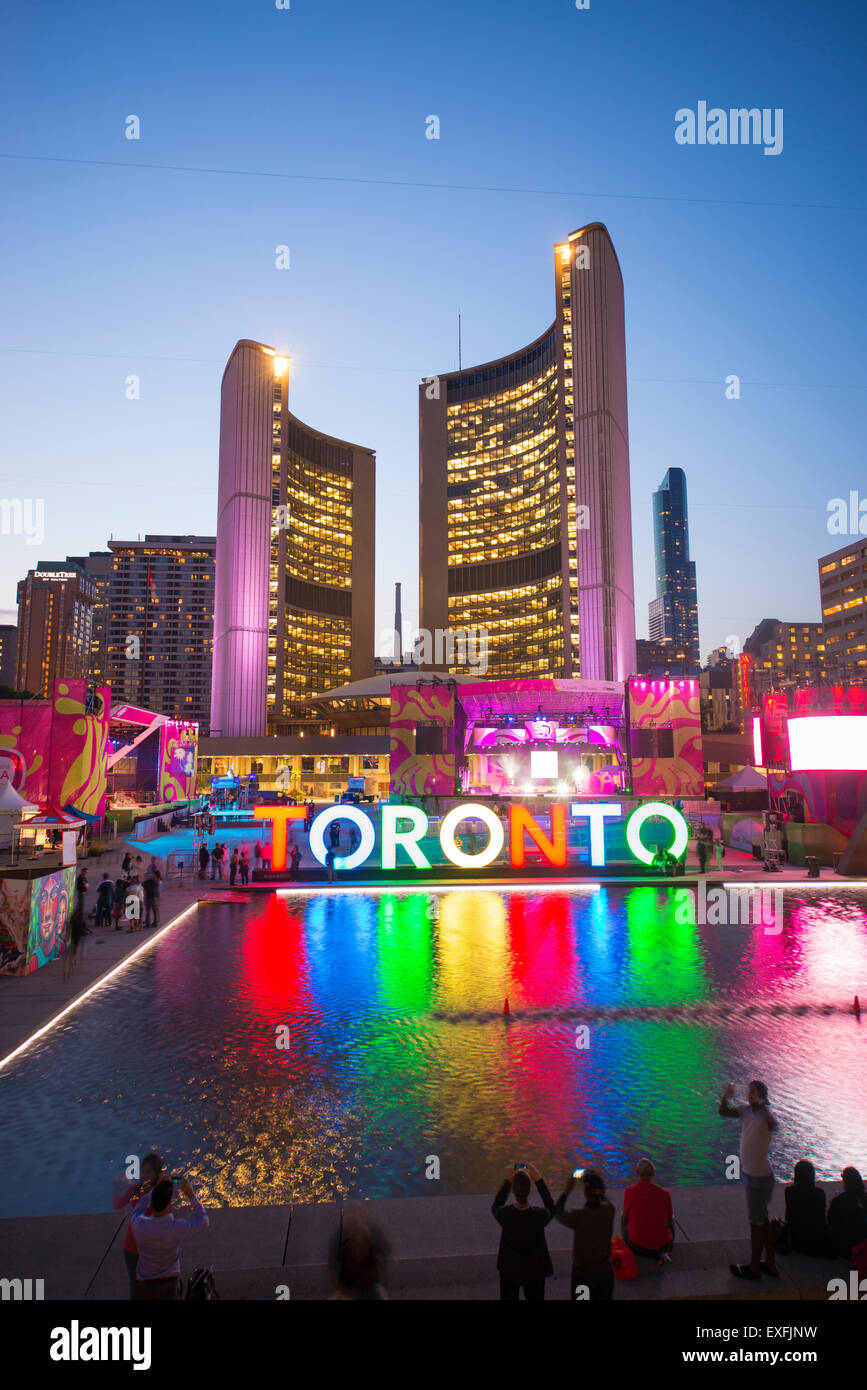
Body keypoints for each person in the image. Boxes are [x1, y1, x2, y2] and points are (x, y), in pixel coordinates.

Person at [718, 1079, 779, 1280]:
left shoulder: (764, 1116)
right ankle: (770, 1263)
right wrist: (726, 1096)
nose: (749, 1094)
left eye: (753, 1092)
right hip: (756, 1175)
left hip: (758, 1178)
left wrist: (764, 1105)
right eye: (749, 1091)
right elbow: (723, 1112)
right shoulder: (744, 1111)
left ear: (761, 1096)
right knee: (764, 1219)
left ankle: (754, 1267)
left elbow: (773, 1125)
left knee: (755, 1223)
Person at [130, 1174, 209, 1300]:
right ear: (169, 1203)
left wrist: (153, 1191)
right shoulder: (177, 1228)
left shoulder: (139, 1225)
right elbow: (204, 1221)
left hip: (145, 1283)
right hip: (170, 1281)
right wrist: (191, 1194)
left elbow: (137, 1209)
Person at [491, 1163, 555, 1300]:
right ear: (530, 1190)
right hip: (535, 1269)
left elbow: (496, 1204)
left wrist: (508, 1180)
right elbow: (551, 1206)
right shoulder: (540, 1215)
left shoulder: (505, 1214)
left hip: (509, 1269)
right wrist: (538, 1179)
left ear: (513, 1191)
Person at [554, 1168, 616, 1300]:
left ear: (585, 1193)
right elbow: (606, 1200)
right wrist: (596, 1182)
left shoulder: (579, 1216)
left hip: (583, 1274)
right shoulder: (609, 1211)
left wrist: (567, 1190)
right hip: (605, 1272)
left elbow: (558, 1213)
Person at [111, 1152, 165, 1299]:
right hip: (132, 1247)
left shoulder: (160, 1192)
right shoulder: (137, 1190)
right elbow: (118, 1204)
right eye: (143, 1171)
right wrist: (117, 1187)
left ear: (157, 1174)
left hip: (152, 1248)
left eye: (149, 1172)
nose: (144, 1175)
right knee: (136, 1287)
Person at [328, 1203, 390, 1299]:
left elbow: (383, 1262)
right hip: (347, 1289)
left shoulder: (372, 1237)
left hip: (369, 1288)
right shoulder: (340, 1241)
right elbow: (332, 1271)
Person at [621, 1157, 675, 1266]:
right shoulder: (664, 1194)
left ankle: (626, 1244)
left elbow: (626, 1215)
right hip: (661, 1246)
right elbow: (670, 1218)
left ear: (637, 1173)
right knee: (672, 1218)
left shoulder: (630, 1191)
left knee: (623, 1216)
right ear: (653, 1173)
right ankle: (667, 1250)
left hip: (636, 1246)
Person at [779, 1160, 834, 1256]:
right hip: (818, 1240)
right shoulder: (819, 1193)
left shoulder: (790, 1191)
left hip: (798, 1241)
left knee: (775, 1225)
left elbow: (789, 1217)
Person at [828, 1167, 867, 1259]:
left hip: (844, 1247)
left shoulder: (838, 1200)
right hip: (860, 1245)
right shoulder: (865, 1198)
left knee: (854, 1272)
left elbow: (831, 1221)